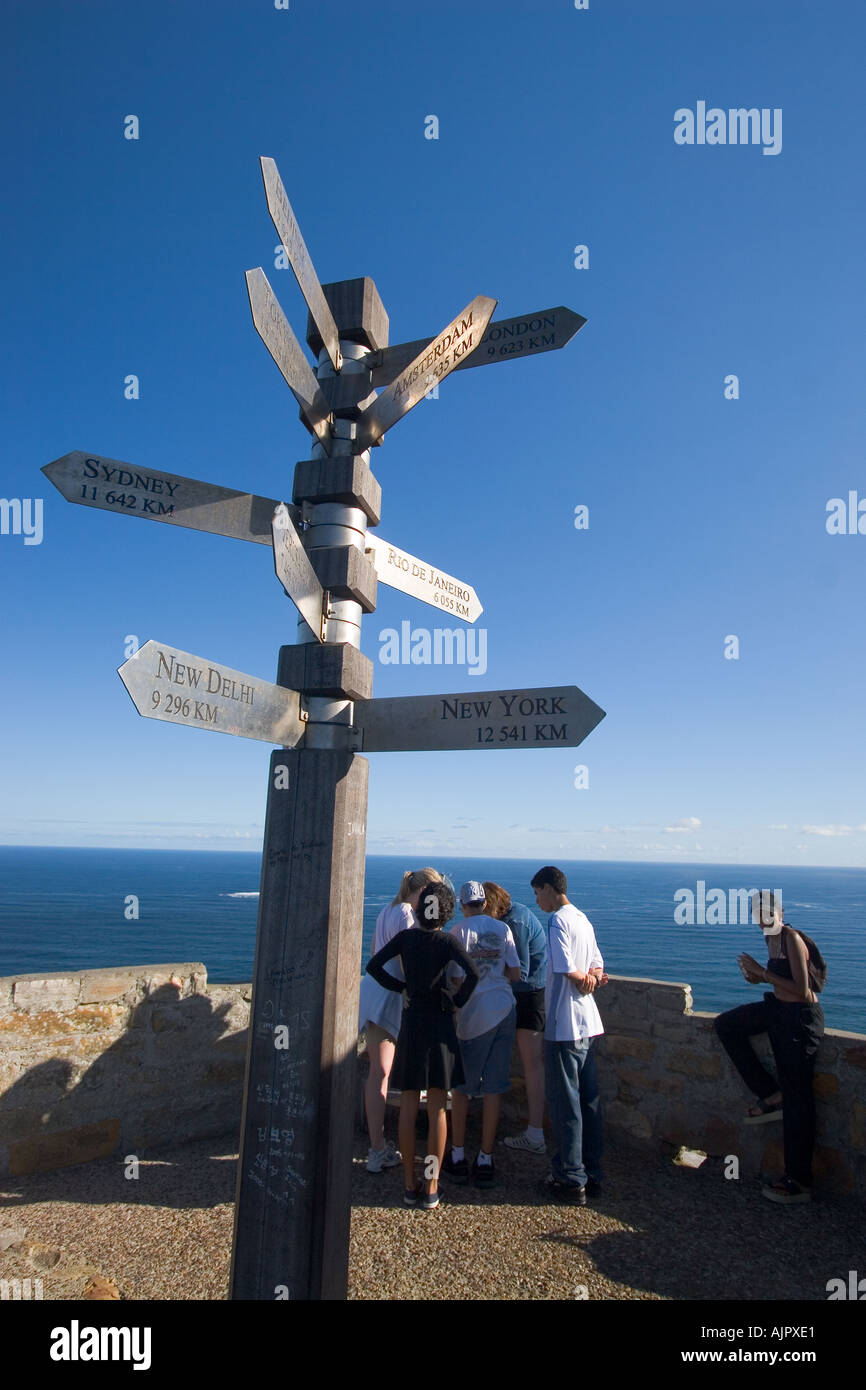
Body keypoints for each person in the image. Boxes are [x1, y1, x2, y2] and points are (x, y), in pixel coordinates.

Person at [365, 880, 479, 1209]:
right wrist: (455, 1001)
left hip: (412, 1022)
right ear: (446, 912)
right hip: (440, 1024)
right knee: (437, 1109)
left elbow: (373, 967)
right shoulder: (446, 941)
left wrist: (402, 987)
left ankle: (408, 1185)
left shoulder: (406, 938)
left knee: (409, 1106)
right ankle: (431, 1185)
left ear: (419, 908)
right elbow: (472, 974)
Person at [714, 890, 825, 1204]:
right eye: (758, 914)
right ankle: (769, 1093)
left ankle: (798, 1181)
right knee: (726, 1025)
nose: (763, 919)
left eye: (767, 913)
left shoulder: (791, 938)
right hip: (778, 1009)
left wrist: (762, 973)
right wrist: (756, 977)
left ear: (780, 912)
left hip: (800, 1020)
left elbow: (803, 992)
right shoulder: (770, 940)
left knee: (799, 1101)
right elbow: (778, 981)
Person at [531, 865, 607, 1205]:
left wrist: (583, 979)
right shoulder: (584, 919)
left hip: (564, 1025)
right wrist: (591, 977)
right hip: (589, 1025)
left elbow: (566, 968)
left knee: (566, 1104)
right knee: (589, 1101)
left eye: (537, 893)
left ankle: (569, 1177)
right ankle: (593, 1173)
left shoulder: (559, 920)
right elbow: (597, 966)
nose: (537, 900)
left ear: (549, 889)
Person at [358, 867, 443, 1173]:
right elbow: (409, 959)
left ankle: (376, 1145)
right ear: (423, 891)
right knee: (382, 1073)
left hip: (371, 989)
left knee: (377, 1073)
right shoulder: (408, 915)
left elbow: (373, 952)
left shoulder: (387, 909)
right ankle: (378, 1149)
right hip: (390, 995)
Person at [441, 882, 521, 1187]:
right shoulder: (502, 930)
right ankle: (486, 1158)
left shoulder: (458, 932)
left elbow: (457, 979)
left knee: (462, 1089)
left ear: (463, 904)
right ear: (485, 903)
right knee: (494, 1087)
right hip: (505, 1010)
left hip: (475, 1016)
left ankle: (458, 1155)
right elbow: (515, 973)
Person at [482, 881, 549, 1155]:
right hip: (522, 994)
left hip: (529, 996)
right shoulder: (511, 917)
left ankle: (535, 1133)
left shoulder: (516, 922)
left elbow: (520, 970)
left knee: (532, 1064)